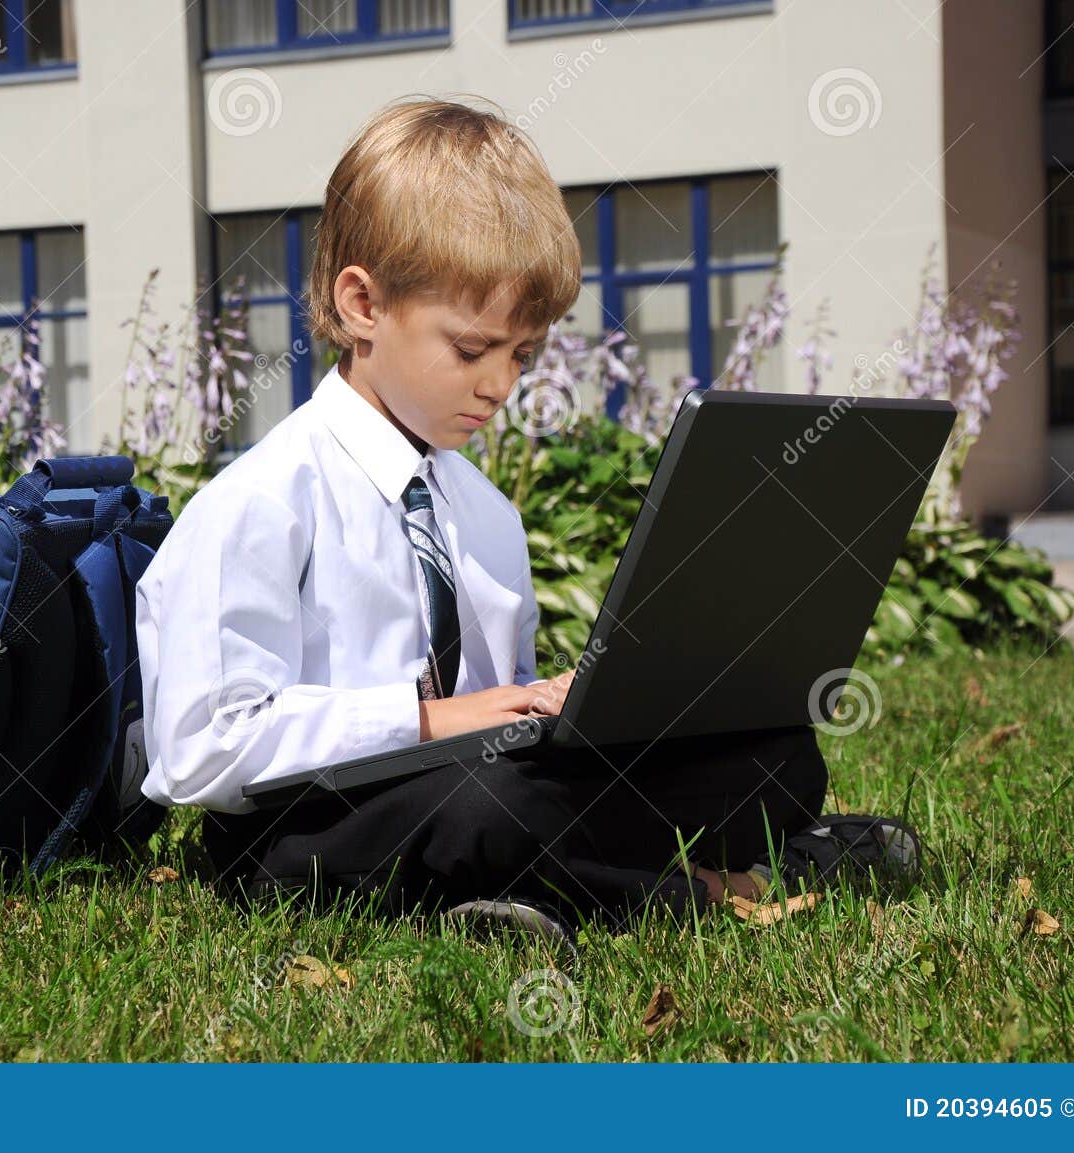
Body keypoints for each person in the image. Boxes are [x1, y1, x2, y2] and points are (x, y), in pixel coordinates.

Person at [133, 96, 918, 942]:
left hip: (473, 787)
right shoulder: (258, 502)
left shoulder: (486, 513)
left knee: (777, 755)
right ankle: (722, 886)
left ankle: (530, 898)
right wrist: (428, 719)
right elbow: (199, 748)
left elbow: (502, 715)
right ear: (361, 304)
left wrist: (567, 713)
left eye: (522, 355)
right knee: (491, 811)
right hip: (298, 826)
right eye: (472, 349)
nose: (499, 384)